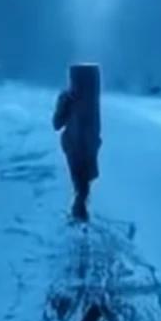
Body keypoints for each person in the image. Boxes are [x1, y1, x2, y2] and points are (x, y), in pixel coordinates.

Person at [52, 64, 101, 222]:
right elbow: (57, 124)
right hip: (79, 145)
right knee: (82, 186)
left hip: (82, 146)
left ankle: (79, 214)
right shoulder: (80, 99)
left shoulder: (83, 100)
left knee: (82, 186)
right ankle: (79, 214)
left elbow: (56, 123)